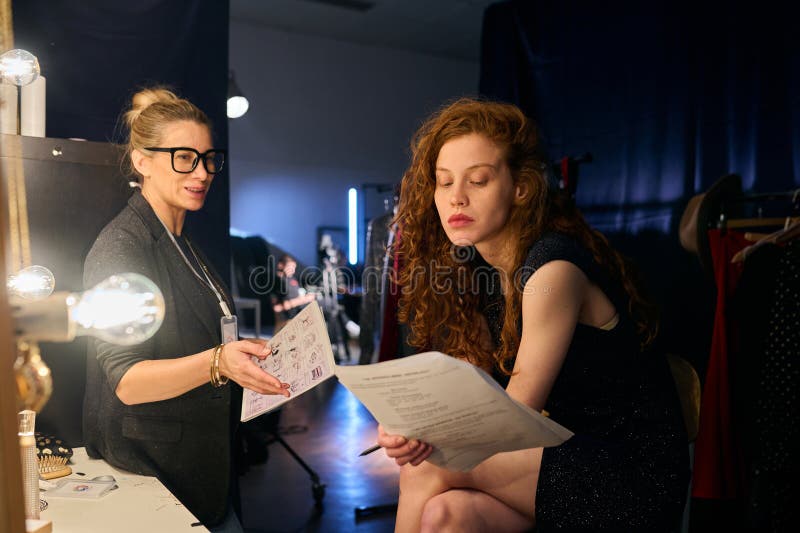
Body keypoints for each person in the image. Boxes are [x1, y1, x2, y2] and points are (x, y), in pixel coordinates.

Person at [376, 98, 690, 532]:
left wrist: (426, 438)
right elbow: (469, 393)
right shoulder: (480, 275)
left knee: (427, 467)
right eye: (443, 182)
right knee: (444, 515)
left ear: (521, 188)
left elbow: (512, 414)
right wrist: (405, 427)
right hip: (555, 463)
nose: (456, 198)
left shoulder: (553, 269)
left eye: (479, 180)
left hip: (626, 476)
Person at [82, 87, 290, 532]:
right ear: (142, 161)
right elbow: (126, 381)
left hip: (200, 471)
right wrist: (219, 362)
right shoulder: (121, 247)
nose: (202, 172)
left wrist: (247, 356)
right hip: (152, 474)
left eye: (208, 158)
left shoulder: (183, 242)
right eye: (184, 157)